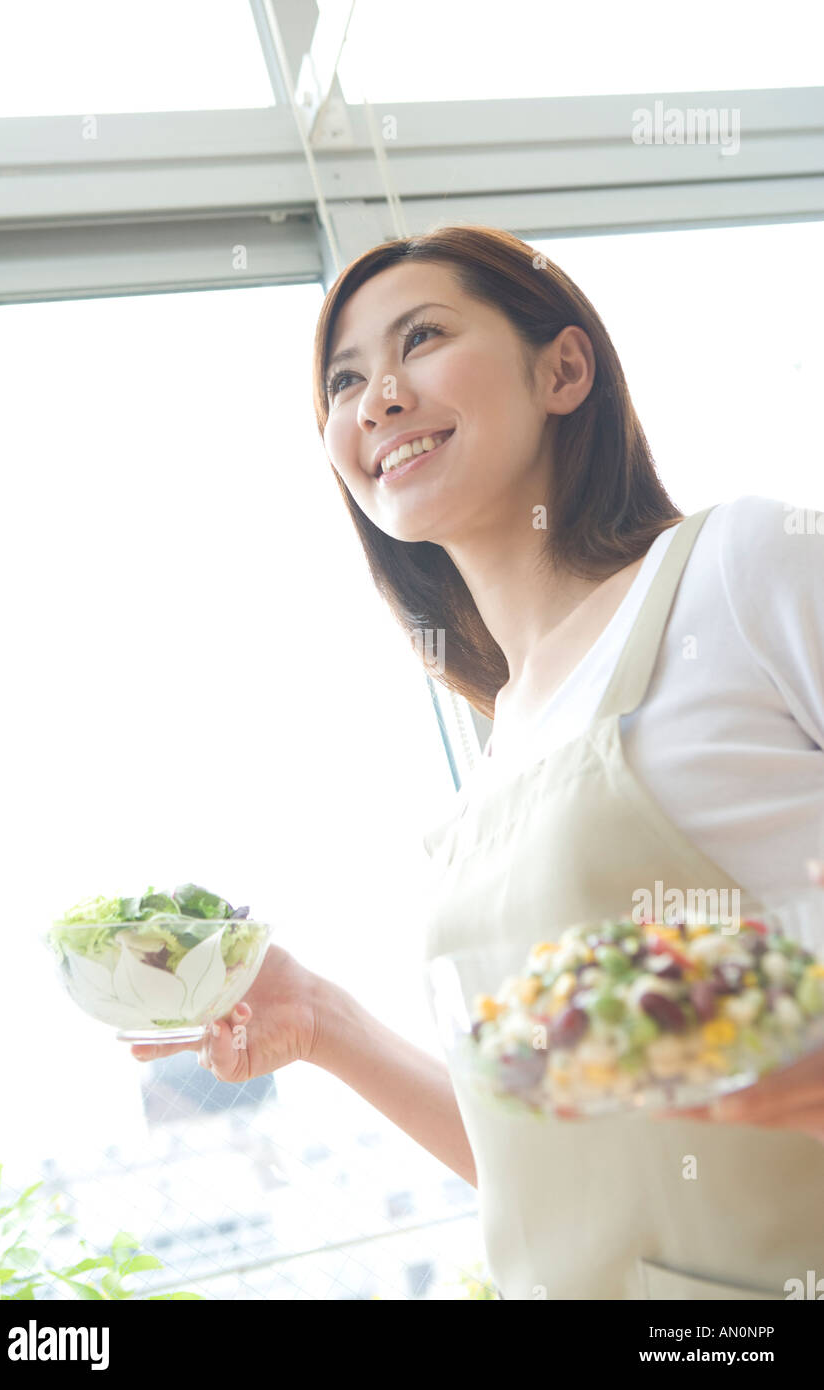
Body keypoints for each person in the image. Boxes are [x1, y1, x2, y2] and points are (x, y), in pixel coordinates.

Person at [131, 224, 824, 1300]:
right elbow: (543, 1175)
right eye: (345, 380)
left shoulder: (740, 567)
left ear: (562, 369)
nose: (378, 398)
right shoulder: (499, 752)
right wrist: (321, 1020)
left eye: (422, 338)